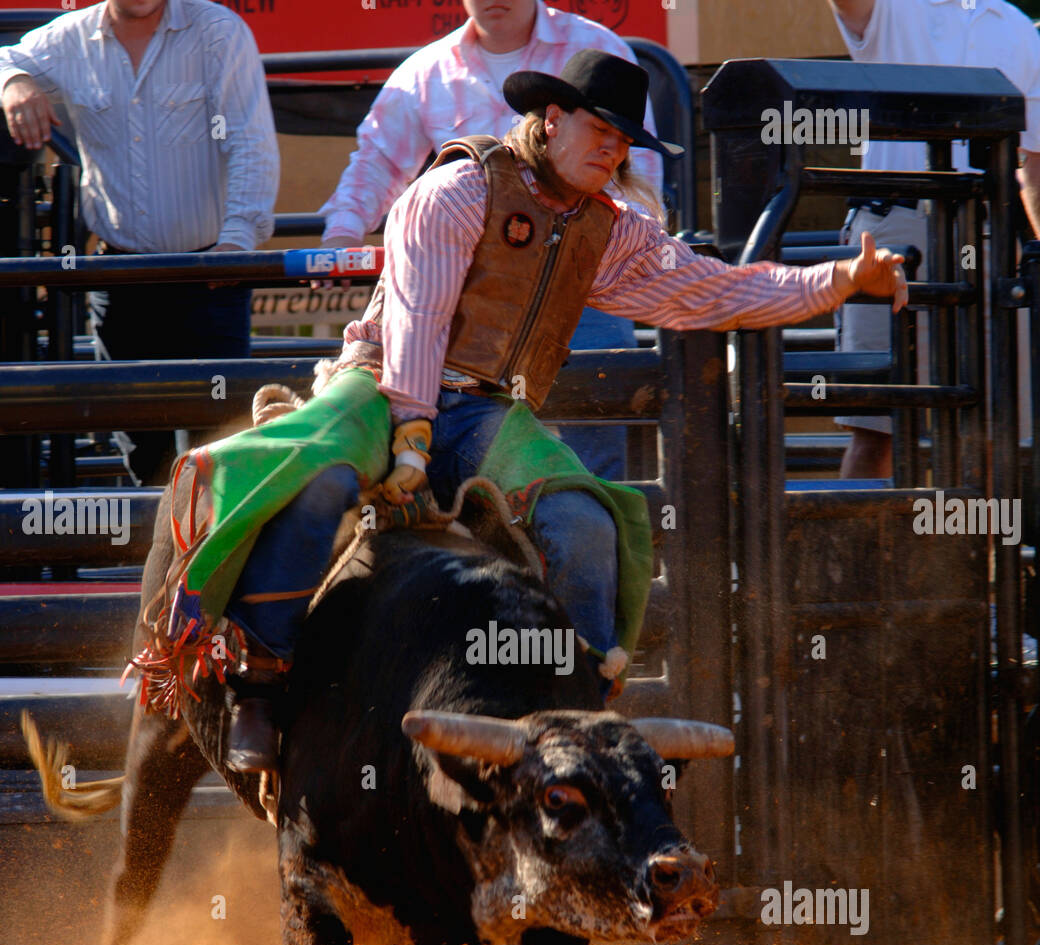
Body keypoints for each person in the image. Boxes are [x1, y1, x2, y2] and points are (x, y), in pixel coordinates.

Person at [160, 50, 906, 772]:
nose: (610, 151)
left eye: (622, 141)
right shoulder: (456, 191)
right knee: (314, 480)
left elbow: (710, 290)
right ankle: (257, 682)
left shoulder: (606, 231)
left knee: (583, 520)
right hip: (379, 381)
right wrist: (412, 433)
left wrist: (839, 279)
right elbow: (418, 317)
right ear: (551, 120)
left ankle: (579, 709)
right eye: (599, 131)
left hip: (485, 407)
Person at [319, 0, 666, 484]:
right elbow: (377, 159)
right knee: (473, 441)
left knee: (590, 436)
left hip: (576, 284)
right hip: (469, 303)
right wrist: (342, 233)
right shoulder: (426, 71)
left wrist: (632, 253)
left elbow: (636, 176)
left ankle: (576, 526)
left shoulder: (597, 49)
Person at [0, 0, 279, 485]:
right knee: (139, 443)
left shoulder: (217, 31)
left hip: (211, 273)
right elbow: (6, 58)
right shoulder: (72, 36)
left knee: (220, 445)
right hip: (122, 276)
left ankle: (204, 558)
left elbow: (250, 141)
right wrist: (13, 82)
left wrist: (237, 242)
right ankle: (157, 554)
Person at [827, 0, 1040, 478]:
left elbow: (1037, 163)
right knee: (877, 425)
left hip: (989, 231)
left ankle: (971, 554)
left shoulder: (1018, 28)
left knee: (989, 430)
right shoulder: (889, 7)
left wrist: (1036, 248)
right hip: (895, 227)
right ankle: (861, 554)